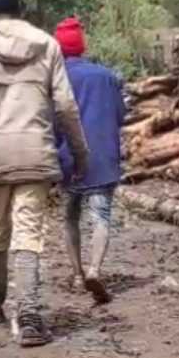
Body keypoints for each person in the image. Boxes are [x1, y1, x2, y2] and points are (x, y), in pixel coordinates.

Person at [0, 0, 90, 347]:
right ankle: (30, 316)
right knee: (29, 233)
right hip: (36, 150)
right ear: (21, 8)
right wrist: (80, 152)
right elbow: (65, 106)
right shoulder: (47, 45)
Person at [52, 17, 125, 306]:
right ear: (82, 46)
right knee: (101, 217)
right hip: (103, 158)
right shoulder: (107, 76)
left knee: (70, 216)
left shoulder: (55, 78)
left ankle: (77, 273)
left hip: (68, 158)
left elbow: (51, 120)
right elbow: (121, 115)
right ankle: (95, 269)